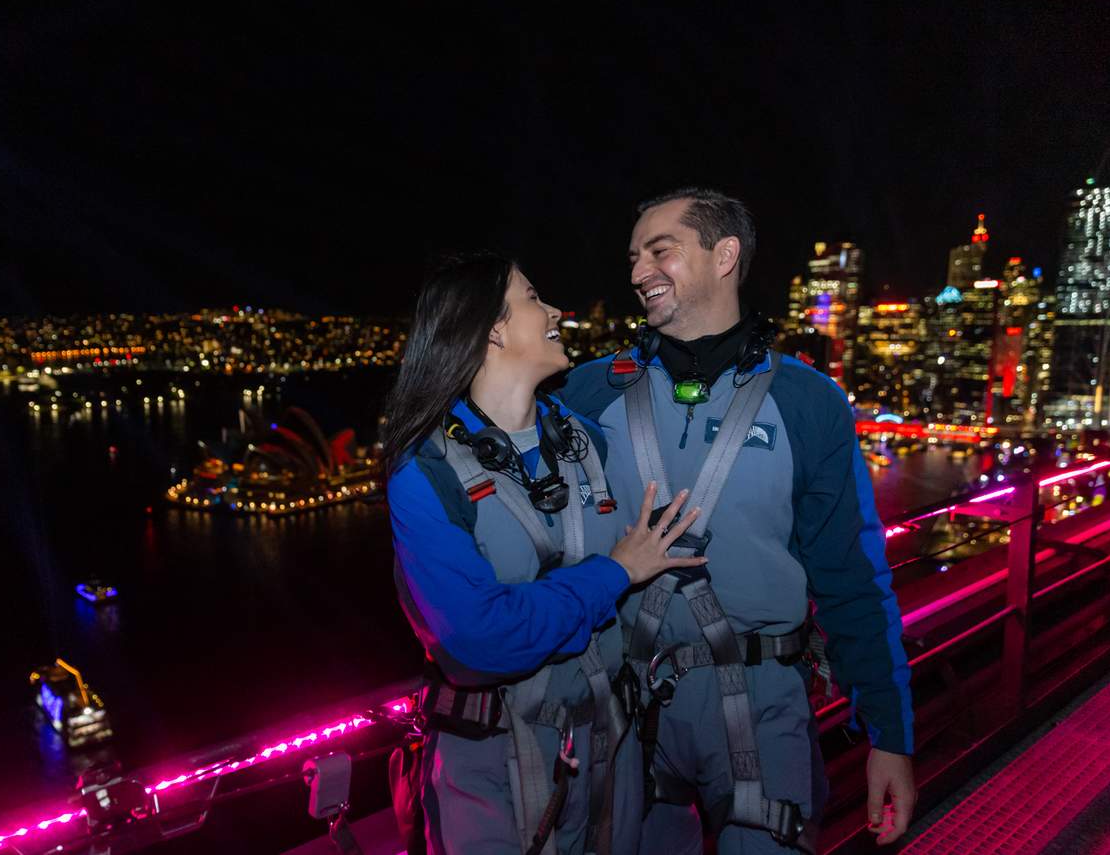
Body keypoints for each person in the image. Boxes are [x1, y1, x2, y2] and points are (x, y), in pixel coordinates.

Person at [559, 189, 915, 853]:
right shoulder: (587, 392)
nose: (638, 272)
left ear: (724, 256)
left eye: (659, 251)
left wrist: (889, 733)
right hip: (625, 700)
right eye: (633, 258)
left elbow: (849, 577)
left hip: (762, 698)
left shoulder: (806, 402)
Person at [383, 252, 708, 855]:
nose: (556, 310)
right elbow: (480, 639)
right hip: (491, 767)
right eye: (533, 298)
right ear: (493, 329)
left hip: (609, 749)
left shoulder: (589, 443)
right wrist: (615, 572)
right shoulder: (425, 472)